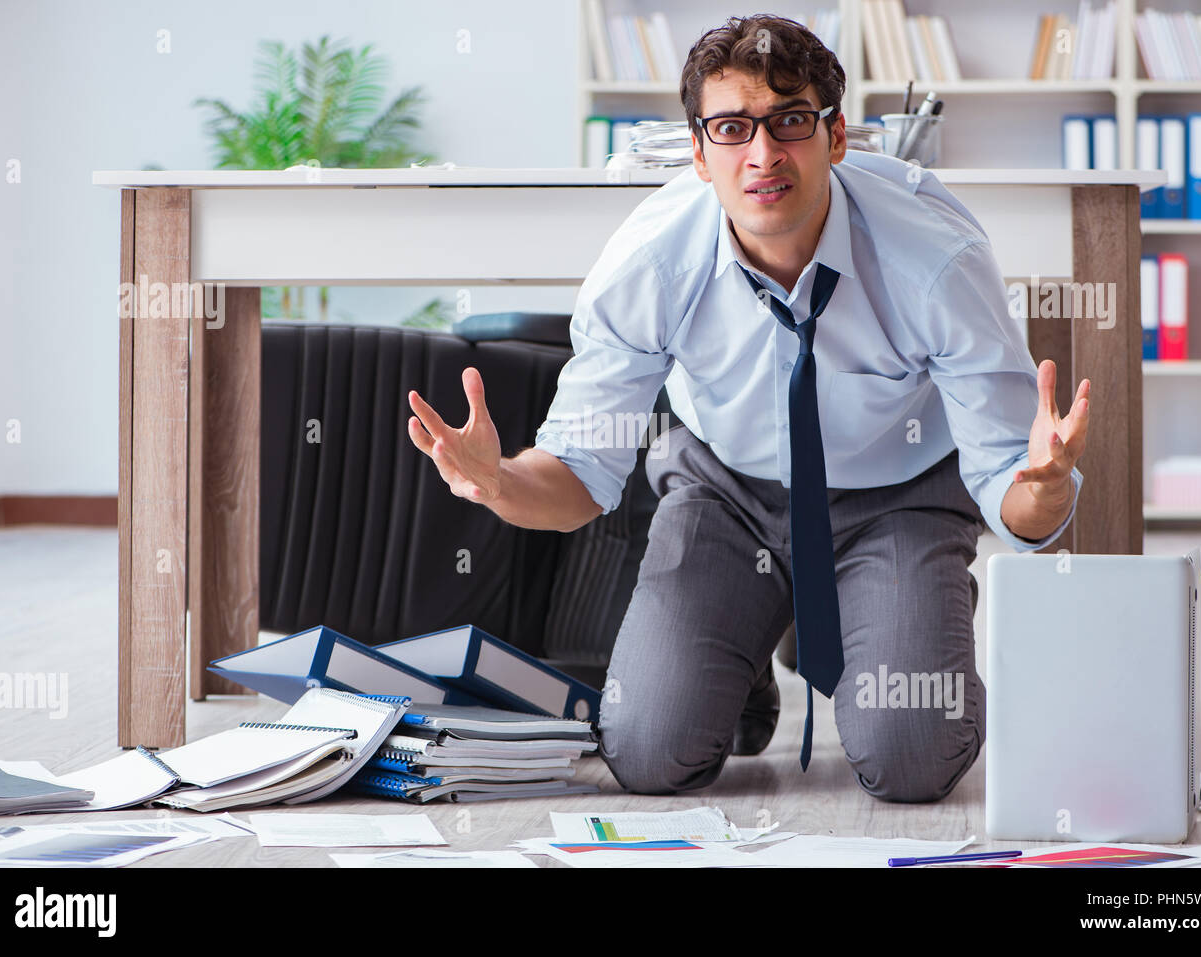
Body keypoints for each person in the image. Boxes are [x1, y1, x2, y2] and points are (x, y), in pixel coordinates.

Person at [406, 14, 1090, 802]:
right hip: (728, 491)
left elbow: (1014, 485)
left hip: (897, 493)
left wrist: (1042, 486)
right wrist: (498, 482)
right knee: (648, 749)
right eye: (732, 128)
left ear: (837, 138)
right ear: (699, 153)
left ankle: (861, 610)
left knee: (912, 756)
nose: (763, 154)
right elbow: (577, 477)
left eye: (791, 121)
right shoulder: (650, 264)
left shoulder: (935, 259)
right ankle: (745, 663)